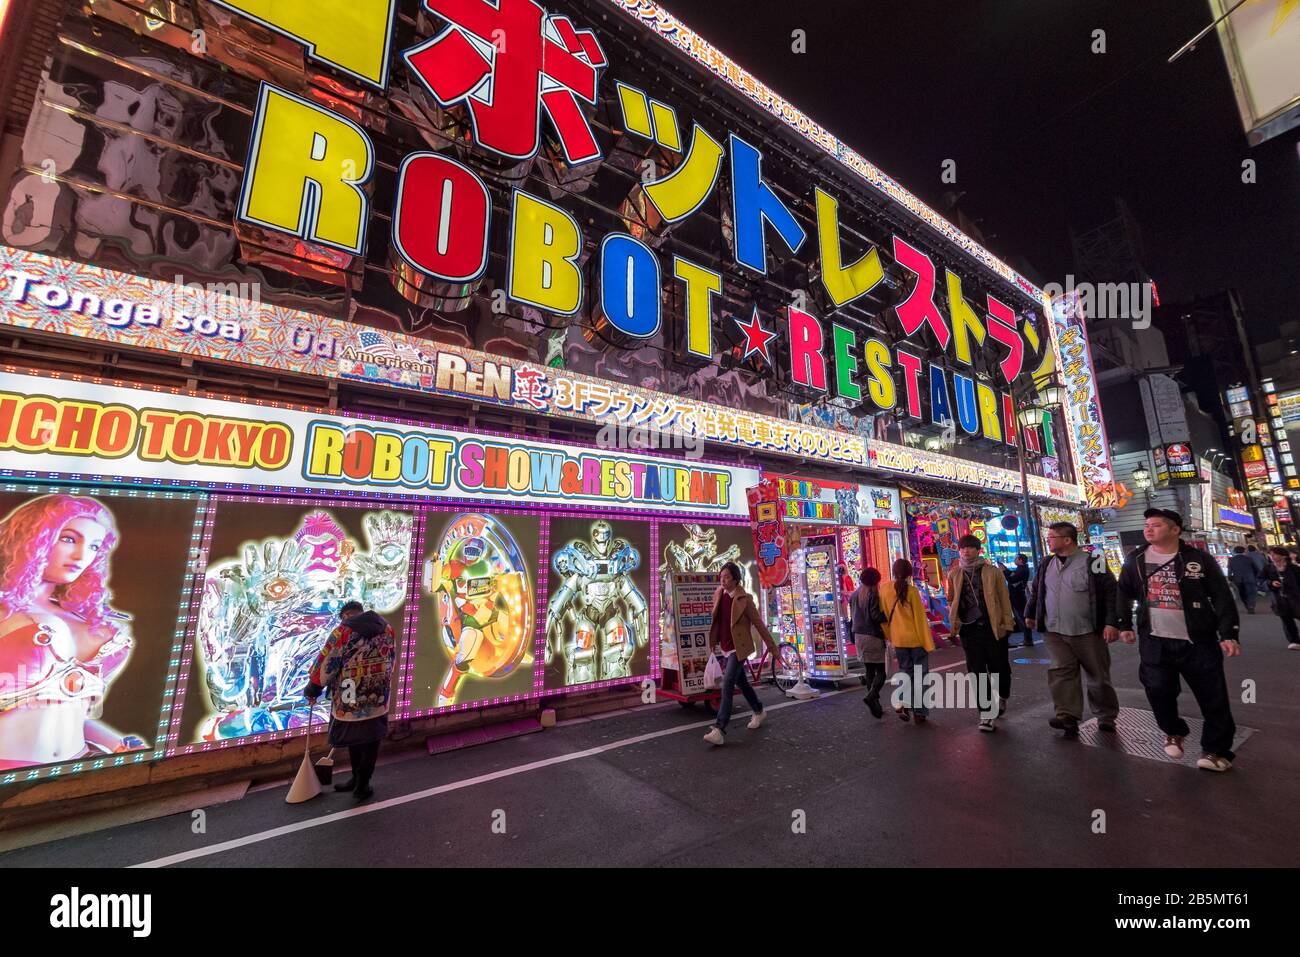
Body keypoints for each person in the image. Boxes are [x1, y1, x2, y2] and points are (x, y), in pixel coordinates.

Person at [0, 494, 147, 771]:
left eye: (93, 546)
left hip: (81, 762)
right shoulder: (6, 612)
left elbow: (62, 711)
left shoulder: (86, 620)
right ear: (34, 538)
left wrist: (118, 744)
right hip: (12, 770)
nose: (82, 556)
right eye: (69, 539)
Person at [1116, 508, 1241, 773]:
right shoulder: (1136, 559)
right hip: (1154, 639)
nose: (1148, 529)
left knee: (1212, 695)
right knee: (1157, 688)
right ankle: (1173, 730)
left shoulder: (1198, 559)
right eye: (1147, 525)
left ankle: (1217, 750)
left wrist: (1228, 633)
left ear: (1175, 530)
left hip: (1198, 640)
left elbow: (1221, 596)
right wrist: (1123, 624)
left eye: (1156, 525)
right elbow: (1123, 593)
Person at [1024, 522, 1120, 737]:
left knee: (1098, 676)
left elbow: (1111, 593)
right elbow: (1038, 591)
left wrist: (1112, 623)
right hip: (1054, 630)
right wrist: (1030, 614)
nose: (1048, 540)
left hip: (1087, 630)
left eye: (1052, 537)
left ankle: (1106, 716)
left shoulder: (1094, 562)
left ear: (1067, 540)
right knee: (1061, 673)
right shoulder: (1046, 563)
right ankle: (1067, 717)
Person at [304, 600, 398, 801]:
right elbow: (392, 659)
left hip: (350, 695)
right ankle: (360, 781)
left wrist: (313, 688)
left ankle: (359, 782)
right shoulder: (387, 628)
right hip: (378, 694)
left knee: (354, 738)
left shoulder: (343, 632)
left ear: (345, 615)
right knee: (371, 739)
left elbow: (327, 664)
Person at [944, 535, 1015, 731]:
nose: (966, 551)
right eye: (962, 548)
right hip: (969, 630)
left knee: (999, 668)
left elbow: (1004, 597)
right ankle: (986, 713)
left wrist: (1007, 623)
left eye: (970, 548)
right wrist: (955, 620)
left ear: (978, 550)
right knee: (976, 671)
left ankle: (1003, 695)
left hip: (993, 627)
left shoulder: (992, 572)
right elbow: (951, 599)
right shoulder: (955, 573)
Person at [704, 561, 778, 746]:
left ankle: (720, 729)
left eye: (727, 577)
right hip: (725, 647)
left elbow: (759, 624)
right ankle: (759, 710)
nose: (723, 580)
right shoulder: (719, 594)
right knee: (742, 683)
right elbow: (717, 622)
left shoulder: (745, 599)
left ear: (736, 579)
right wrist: (713, 643)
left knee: (727, 684)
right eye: (721, 577)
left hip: (740, 648)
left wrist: (773, 648)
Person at [879, 558, 935, 724]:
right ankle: (919, 712)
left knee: (906, 671)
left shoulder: (884, 589)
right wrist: (928, 643)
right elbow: (920, 620)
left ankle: (902, 701)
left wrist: (889, 635)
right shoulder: (911, 591)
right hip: (916, 640)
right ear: (910, 574)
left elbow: (883, 618)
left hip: (899, 640)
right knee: (921, 676)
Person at [851, 568, 889, 718]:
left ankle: (876, 706)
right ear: (876, 581)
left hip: (858, 637)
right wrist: (887, 616)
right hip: (872, 636)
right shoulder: (872, 594)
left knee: (869, 671)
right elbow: (875, 616)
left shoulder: (855, 595)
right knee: (881, 672)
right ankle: (872, 696)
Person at [1262, 547, 1300, 649]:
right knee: (1286, 619)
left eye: (1274, 554)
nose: (1272, 556)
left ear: (1283, 555)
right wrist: (1270, 583)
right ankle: (1294, 641)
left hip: (1295, 596)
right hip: (1279, 598)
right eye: (1270, 554)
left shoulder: (1293, 568)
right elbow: (1260, 580)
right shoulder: (1268, 568)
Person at [1006, 553, 1033, 646]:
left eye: (1015, 558)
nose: (1014, 560)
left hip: (1018, 597)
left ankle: (1028, 639)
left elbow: (1012, 579)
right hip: (1016, 596)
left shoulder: (1023, 569)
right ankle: (1027, 639)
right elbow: (1012, 576)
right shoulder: (1020, 569)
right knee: (1019, 618)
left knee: (1021, 618)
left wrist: (1004, 570)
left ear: (1020, 560)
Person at [1227, 546, 1259, 614]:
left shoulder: (1231, 560)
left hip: (1238, 579)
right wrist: (1256, 577)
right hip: (1250, 578)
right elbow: (1256, 569)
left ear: (1234, 551)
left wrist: (1230, 577)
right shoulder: (1249, 559)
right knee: (1251, 593)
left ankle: (1247, 605)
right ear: (1244, 551)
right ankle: (1251, 606)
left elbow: (1230, 570)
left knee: (1242, 593)